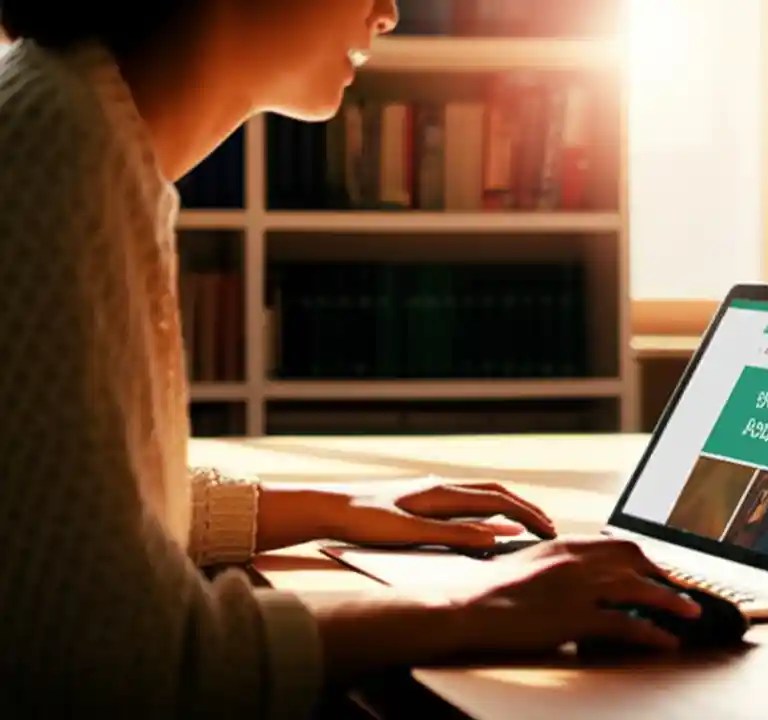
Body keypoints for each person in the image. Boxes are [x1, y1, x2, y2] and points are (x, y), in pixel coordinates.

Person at [0, 1, 699, 716]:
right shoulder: (55, 159)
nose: (389, 12)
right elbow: (115, 667)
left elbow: (69, 516)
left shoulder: (75, 129)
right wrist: (467, 610)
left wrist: (333, 507)